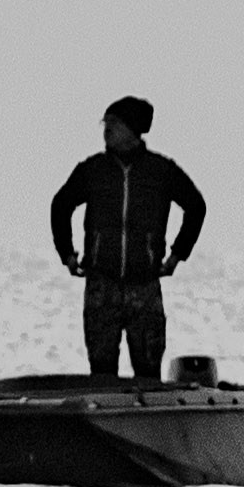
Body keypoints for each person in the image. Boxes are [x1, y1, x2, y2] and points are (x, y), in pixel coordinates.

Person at [51, 96, 205, 384]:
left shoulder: (160, 171)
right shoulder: (93, 170)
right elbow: (60, 205)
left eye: (114, 124)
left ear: (133, 129)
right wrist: (67, 255)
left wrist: (176, 255)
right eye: (105, 124)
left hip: (144, 287)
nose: (107, 130)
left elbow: (196, 206)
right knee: (101, 375)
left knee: (148, 375)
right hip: (101, 286)